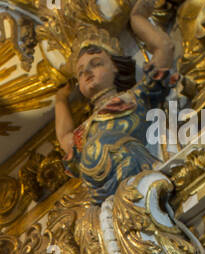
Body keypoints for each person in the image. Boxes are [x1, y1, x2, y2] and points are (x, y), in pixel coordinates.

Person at [53, 0, 175, 206]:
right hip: (104, 201)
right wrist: (60, 100)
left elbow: (165, 48)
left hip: (142, 181)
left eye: (96, 64)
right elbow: (64, 138)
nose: (88, 73)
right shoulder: (85, 131)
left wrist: (138, 19)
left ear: (116, 67)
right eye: (81, 72)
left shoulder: (134, 97)